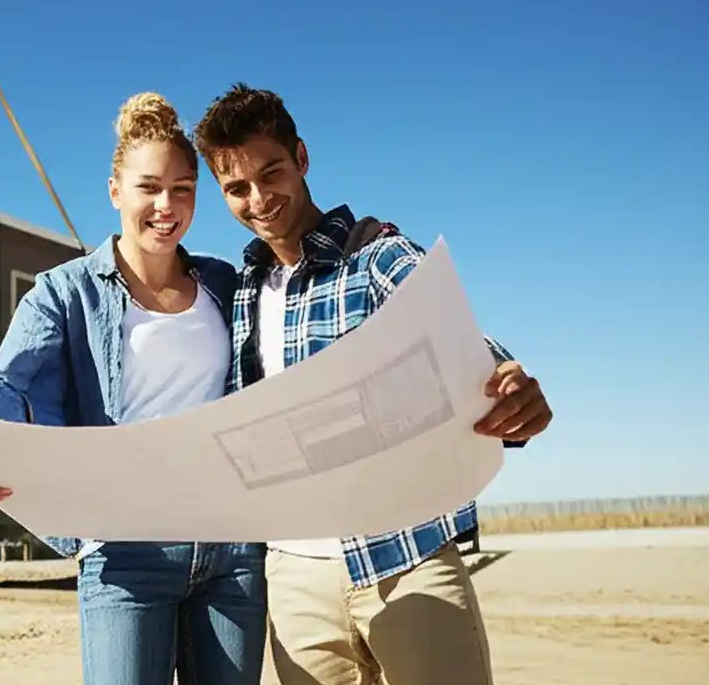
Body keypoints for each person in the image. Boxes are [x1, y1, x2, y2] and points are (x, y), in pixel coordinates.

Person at [191, 83, 553, 685]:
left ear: (301, 158)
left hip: (406, 556)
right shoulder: (244, 289)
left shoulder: (376, 256)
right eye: (237, 188)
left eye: (271, 173)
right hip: (293, 576)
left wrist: (508, 386)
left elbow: (460, 340)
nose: (259, 199)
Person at [0, 92, 267, 685]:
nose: (166, 205)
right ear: (115, 191)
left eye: (183, 188)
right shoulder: (66, 292)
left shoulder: (223, 282)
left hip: (230, 549)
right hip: (125, 551)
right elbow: (4, 382)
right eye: (149, 188)